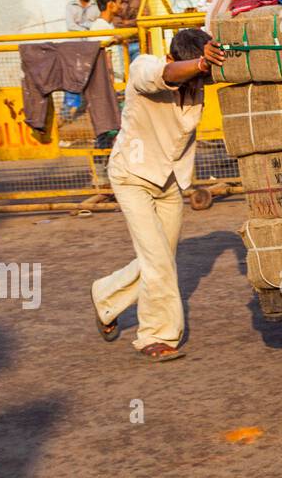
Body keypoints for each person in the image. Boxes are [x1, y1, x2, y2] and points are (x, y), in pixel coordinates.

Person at [91, 28, 226, 361]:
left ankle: (106, 295)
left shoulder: (197, 82)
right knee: (158, 263)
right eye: (194, 74)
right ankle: (156, 334)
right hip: (131, 176)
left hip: (168, 182)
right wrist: (198, 65)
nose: (196, 85)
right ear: (172, 58)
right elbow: (166, 75)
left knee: (160, 257)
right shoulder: (145, 67)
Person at [63, 0, 99, 120]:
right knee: (73, 78)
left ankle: (93, 112)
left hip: (92, 46)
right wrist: (87, 28)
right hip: (76, 47)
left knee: (94, 76)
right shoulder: (70, 6)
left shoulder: (96, 6)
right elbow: (70, 26)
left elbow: (98, 24)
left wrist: (87, 29)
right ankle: (66, 114)